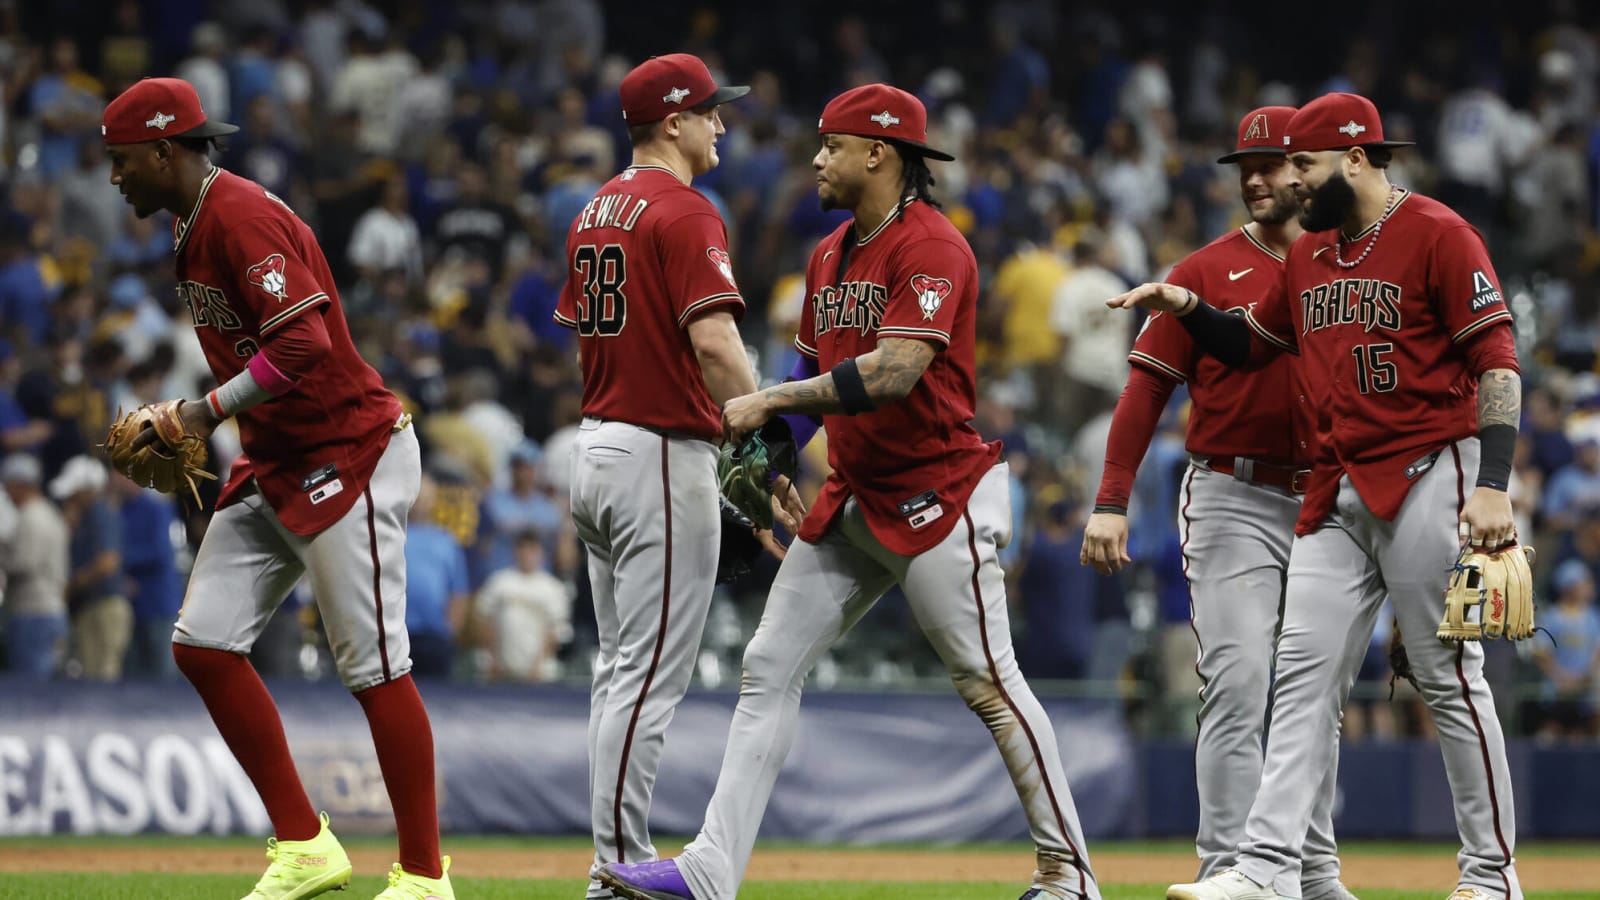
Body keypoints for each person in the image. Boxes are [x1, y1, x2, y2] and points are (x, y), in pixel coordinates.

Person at [600, 83, 1099, 900]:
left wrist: (769, 402)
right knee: (767, 666)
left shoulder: (934, 245)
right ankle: (710, 872)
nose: (817, 159)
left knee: (989, 684)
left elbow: (896, 371)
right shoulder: (830, 252)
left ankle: (1070, 875)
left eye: (832, 145)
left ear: (879, 152)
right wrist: (770, 460)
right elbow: (810, 369)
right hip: (858, 492)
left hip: (938, 494)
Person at [1107, 93, 1524, 900]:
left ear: (1357, 158)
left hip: (1430, 467)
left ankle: (1491, 876)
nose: (1291, 178)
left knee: (1445, 675)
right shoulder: (1311, 254)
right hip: (1338, 484)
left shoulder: (1439, 232)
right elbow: (1251, 344)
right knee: (1302, 677)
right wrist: (1186, 306)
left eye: (1305, 162)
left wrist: (1494, 484)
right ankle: (1266, 870)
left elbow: (1497, 360)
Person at [101, 77, 453, 899]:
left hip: (348, 451)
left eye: (123, 160)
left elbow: (305, 344)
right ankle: (304, 844)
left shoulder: (238, 215)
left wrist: (201, 411)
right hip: (278, 455)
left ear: (165, 150)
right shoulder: (192, 220)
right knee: (202, 644)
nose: (115, 176)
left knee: (375, 670)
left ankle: (424, 876)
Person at [1082, 107, 1353, 900]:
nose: (1257, 180)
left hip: (1326, 496)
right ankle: (1229, 866)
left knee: (1316, 695)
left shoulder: (1344, 262)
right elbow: (1146, 392)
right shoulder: (1204, 269)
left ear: (1307, 171)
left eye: (1272, 165)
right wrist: (1111, 499)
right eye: (1247, 168)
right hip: (1234, 492)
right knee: (1236, 680)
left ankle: (1310, 871)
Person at [550, 53, 780, 900]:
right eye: (710, 111)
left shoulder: (594, 210)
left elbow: (589, 334)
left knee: (620, 671)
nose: (721, 124)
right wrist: (764, 439)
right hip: (657, 454)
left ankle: (612, 860)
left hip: (598, 447)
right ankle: (616, 870)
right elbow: (715, 343)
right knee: (646, 678)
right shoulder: (684, 209)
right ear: (673, 121)